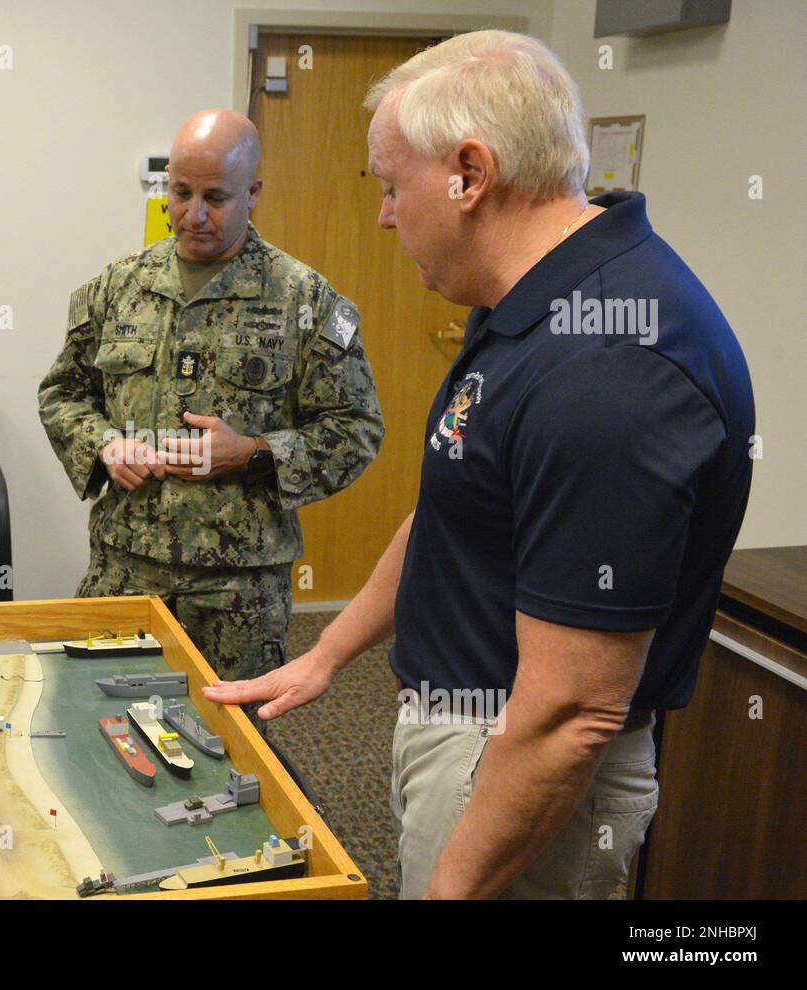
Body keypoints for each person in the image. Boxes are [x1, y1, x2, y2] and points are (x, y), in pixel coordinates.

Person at [206, 30, 755, 898]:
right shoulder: (529, 301)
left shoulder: (609, 366)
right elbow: (456, 508)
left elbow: (573, 714)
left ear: (469, 173)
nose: (384, 215)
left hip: (519, 758)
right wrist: (328, 654)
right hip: (460, 729)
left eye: (391, 186)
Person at [38, 108, 384, 686]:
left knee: (233, 743)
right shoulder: (118, 287)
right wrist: (104, 446)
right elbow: (63, 393)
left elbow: (355, 428)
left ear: (254, 193)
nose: (193, 214)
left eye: (216, 197)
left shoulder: (303, 299)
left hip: (238, 588)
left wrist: (250, 452)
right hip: (126, 567)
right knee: (104, 722)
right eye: (180, 192)